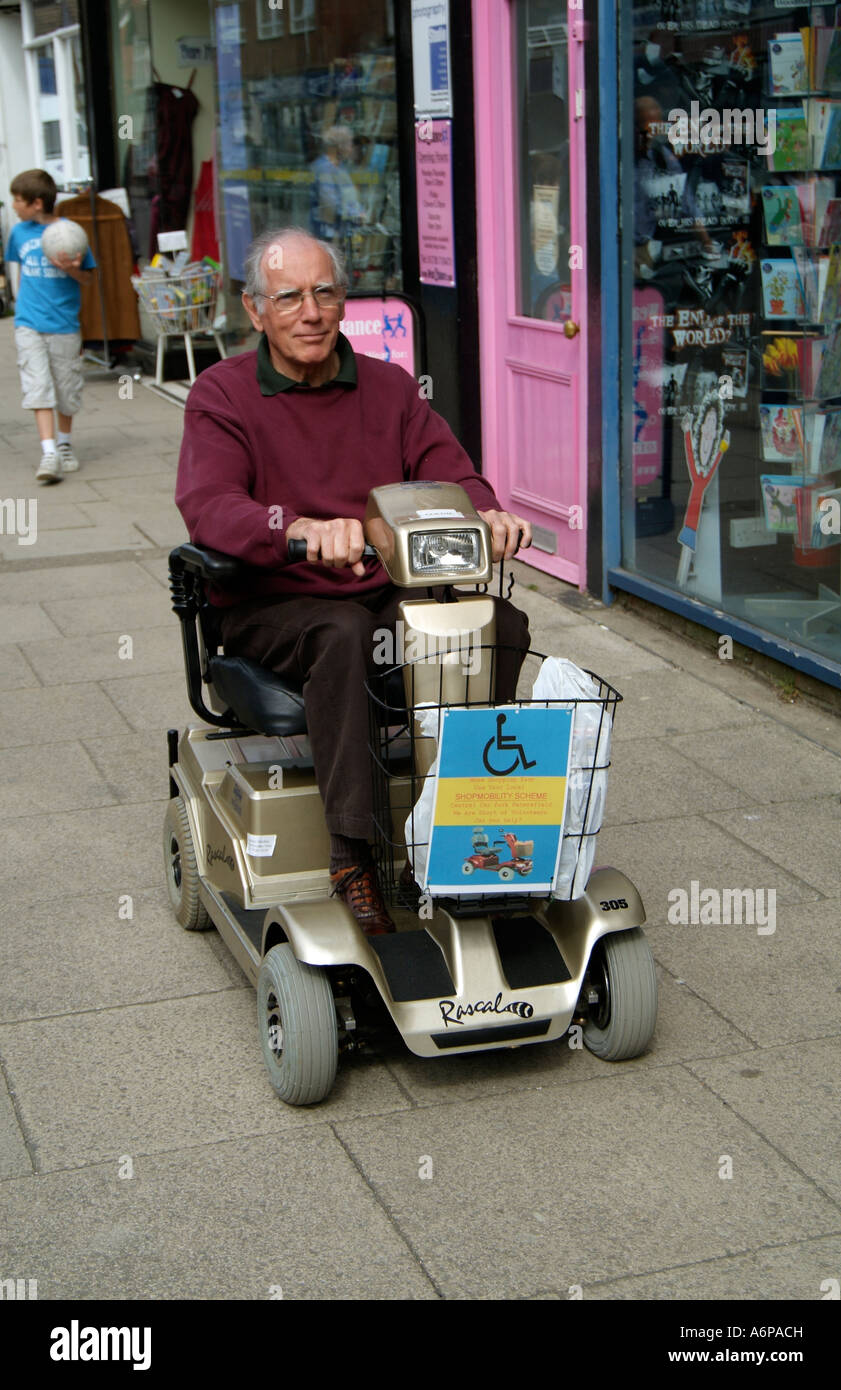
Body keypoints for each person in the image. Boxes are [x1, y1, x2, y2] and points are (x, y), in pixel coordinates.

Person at [176, 227, 532, 935]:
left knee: (493, 623)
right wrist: (295, 530)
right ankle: (353, 853)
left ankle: (460, 825)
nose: (309, 312)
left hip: (379, 588)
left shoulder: (388, 388)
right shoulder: (221, 394)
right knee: (344, 634)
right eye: (288, 297)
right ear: (254, 310)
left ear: (342, 301)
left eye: (324, 292)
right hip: (272, 598)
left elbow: (451, 472)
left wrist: (482, 511)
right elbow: (209, 504)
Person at [6, 169, 96, 484]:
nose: (13, 204)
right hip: (29, 323)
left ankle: (65, 444)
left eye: (18, 199)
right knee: (37, 386)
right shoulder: (18, 233)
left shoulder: (72, 234)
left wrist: (71, 269)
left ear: (38, 203)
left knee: (66, 390)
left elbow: (88, 279)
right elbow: (20, 272)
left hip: (64, 325)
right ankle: (49, 453)